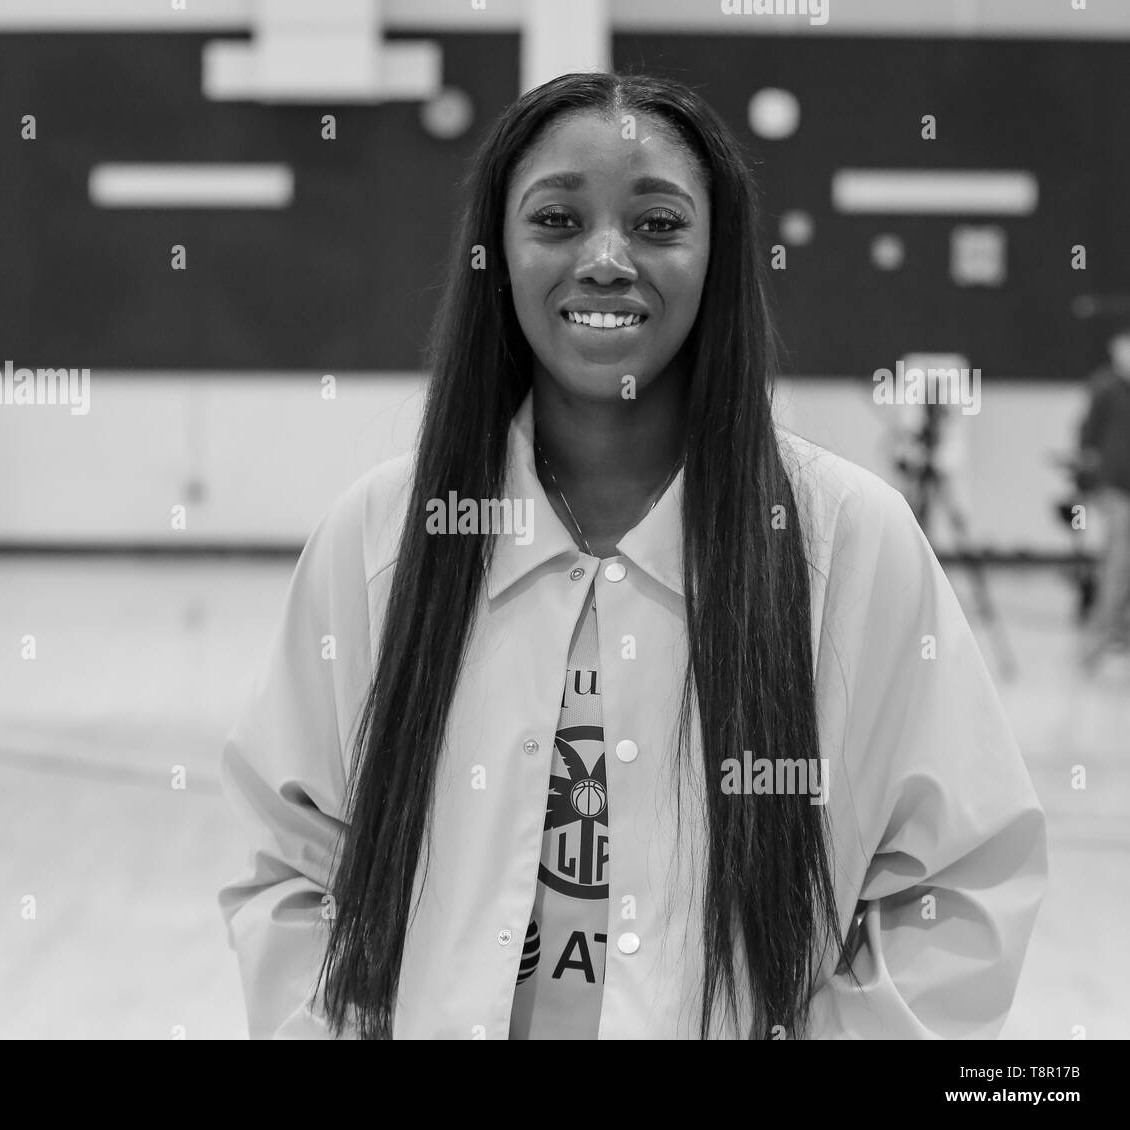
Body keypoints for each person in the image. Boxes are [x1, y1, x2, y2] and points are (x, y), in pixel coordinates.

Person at [217, 72, 1047, 1040]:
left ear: (715, 255)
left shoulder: (848, 542)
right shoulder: (386, 534)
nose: (605, 259)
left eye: (656, 223)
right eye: (557, 219)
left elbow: (962, 876)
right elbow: (290, 859)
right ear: (501, 254)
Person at [1077, 328, 1130, 670]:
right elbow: (1088, 436)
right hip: (1117, 487)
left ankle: (1117, 630)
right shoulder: (1106, 388)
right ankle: (1098, 638)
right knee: (1119, 559)